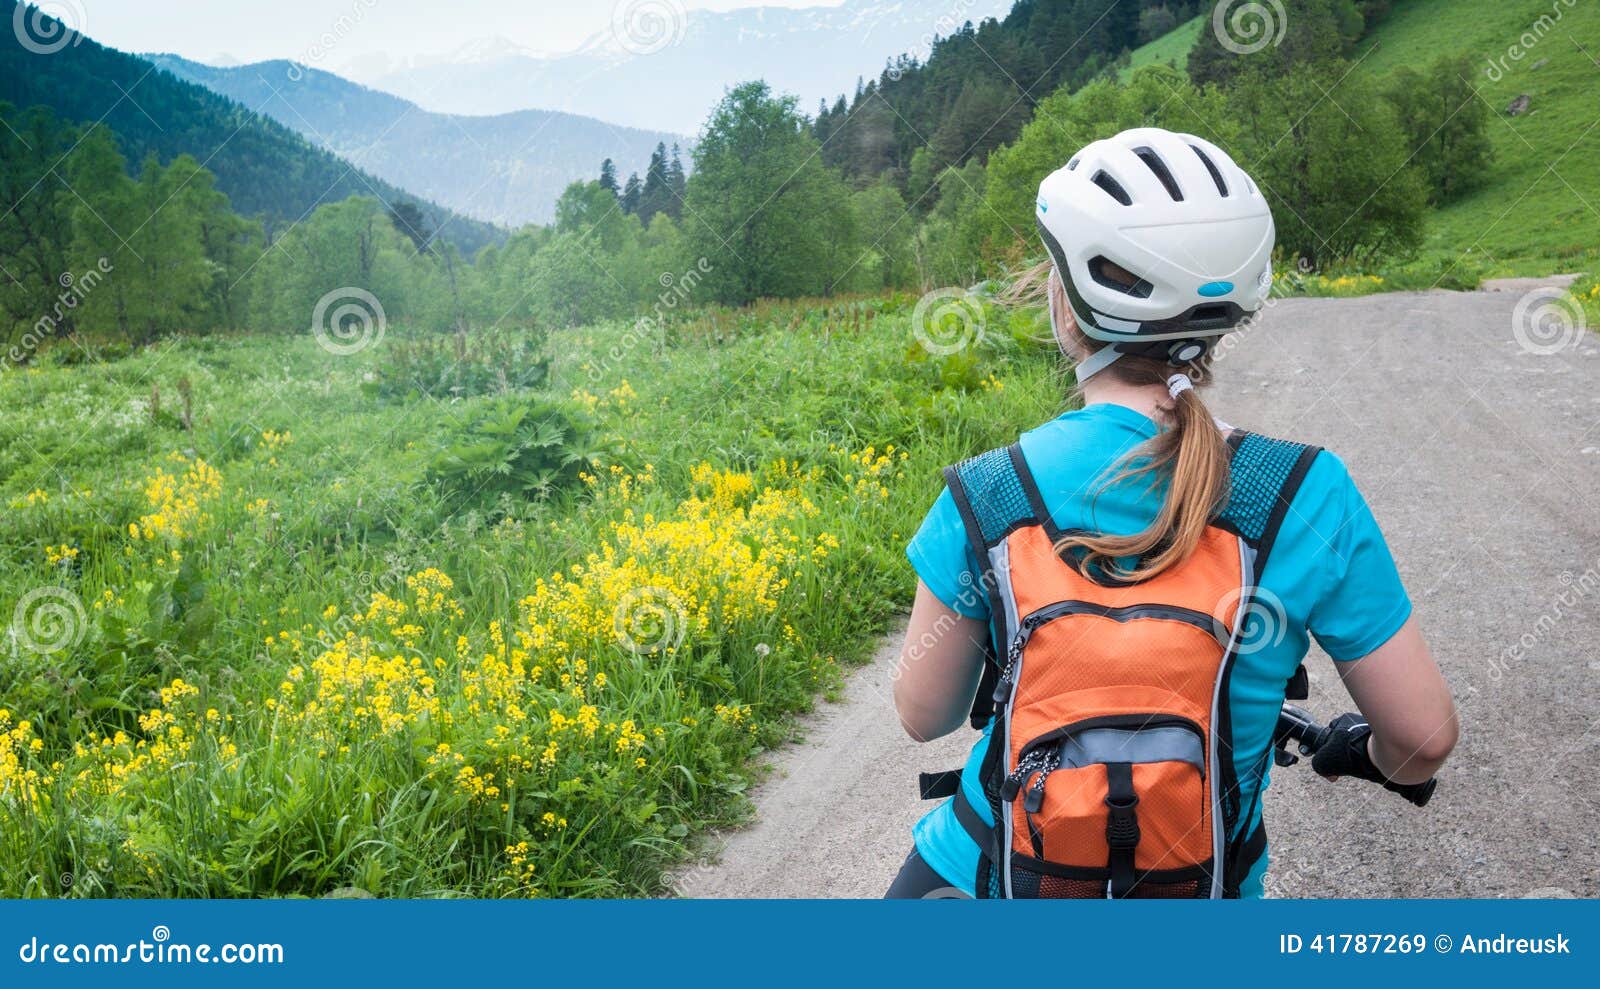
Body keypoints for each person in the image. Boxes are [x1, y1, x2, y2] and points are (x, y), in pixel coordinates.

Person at [887, 127, 1458, 899]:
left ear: (1064, 305)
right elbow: (1423, 740)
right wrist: (1360, 752)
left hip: (988, 876)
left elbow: (924, 715)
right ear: (1226, 319)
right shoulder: (1302, 490)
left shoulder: (988, 493)